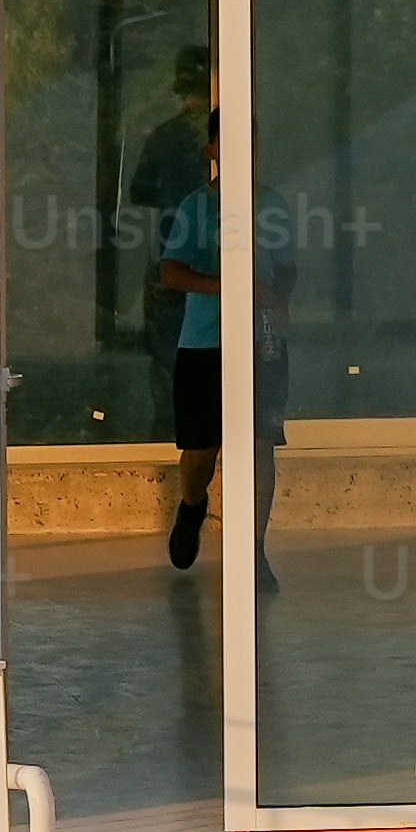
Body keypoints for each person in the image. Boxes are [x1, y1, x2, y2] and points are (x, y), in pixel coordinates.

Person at [134, 52, 265, 590]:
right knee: (201, 445)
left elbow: (290, 266)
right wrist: (226, 288)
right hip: (204, 338)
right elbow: (169, 265)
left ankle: (252, 549)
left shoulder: (270, 204)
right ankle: (193, 505)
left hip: (256, 343)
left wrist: (276, 295)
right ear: (210, 150)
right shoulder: (194, 203)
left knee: (257, 446)